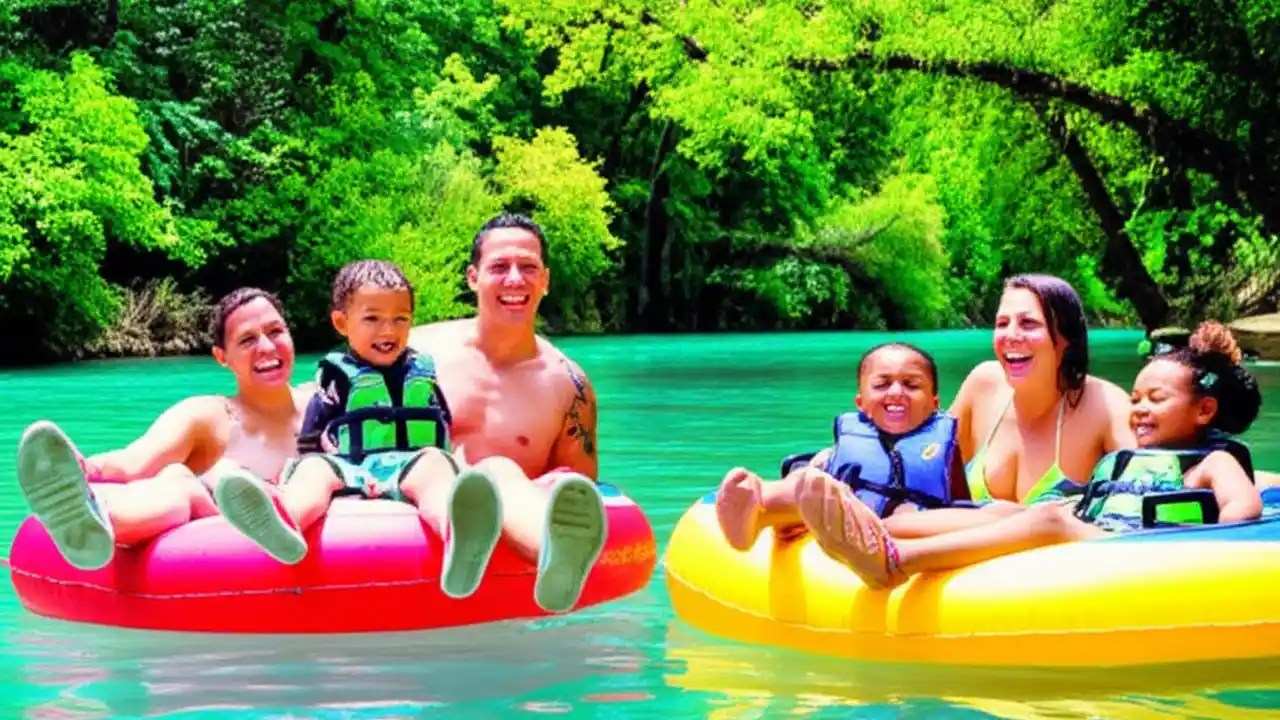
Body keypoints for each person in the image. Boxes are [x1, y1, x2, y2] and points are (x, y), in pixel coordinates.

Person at [797, 321, 1264, 589]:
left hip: (1139, 550)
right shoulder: (1136, 458)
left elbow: (1244, 508)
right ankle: (873, 530)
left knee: (1048, 521)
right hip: (1101, 526)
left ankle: (896, 561)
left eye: (1154, 400)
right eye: (1136, 398)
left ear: (1204, 410)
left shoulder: (1212, 462)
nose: (1137, 409)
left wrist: (1204, 554)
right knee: (1000, 509)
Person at [213, 261, 505, 604]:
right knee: (313, 470)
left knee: (435, 467)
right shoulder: (337, 375)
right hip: (348, 466)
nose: (388, 330)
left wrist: (449, 461)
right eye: (373, 319)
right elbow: (312, 434)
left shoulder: (422, 372)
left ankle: (460, 536)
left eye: (401, 319)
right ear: (341, 323)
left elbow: (441, 421)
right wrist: (307, 466)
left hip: (408, 464)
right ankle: (284, 523)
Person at [14, 288, 310, 570]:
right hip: (224, 541)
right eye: (247, 340)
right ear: (222, 357)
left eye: (275, 331)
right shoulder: (209, 416)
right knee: (180, 480)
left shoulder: (322, 403)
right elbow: (135, 462)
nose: (268, 347)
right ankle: (90, 517)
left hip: (301, 534)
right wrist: (86, 469)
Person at [409, 212, 609, 613]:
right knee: (472, 469)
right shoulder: (415, 352)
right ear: (472, 277)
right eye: (499, 267)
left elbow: (575, 488)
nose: (515, 280)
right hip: (410, 513)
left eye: (528, 267)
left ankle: (551, 557)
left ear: (546, 280)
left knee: (498, 471)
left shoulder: (569, 385)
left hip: (507, 532)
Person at [855, 274, 1138, 543]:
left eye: (1028, 323)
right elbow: (919, 461)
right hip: (970, 567)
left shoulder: (1106, 405)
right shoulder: (983, 385)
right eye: (1002, 323)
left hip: (1056, 572)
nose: (1011, 335)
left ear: (1066, 339)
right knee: (902, 519)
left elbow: (1151, 487)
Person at [713, 343, 967, 551]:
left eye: (912, 385)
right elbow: (822, 471)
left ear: (935, 404)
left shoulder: (943, 445)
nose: (897, 392)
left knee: (912, 513)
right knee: (805, 482)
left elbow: (957, 502)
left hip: (900, 522)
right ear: (861, 402)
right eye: (882, 384)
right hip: (839, 505)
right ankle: (756, 506)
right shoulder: (846, 444)